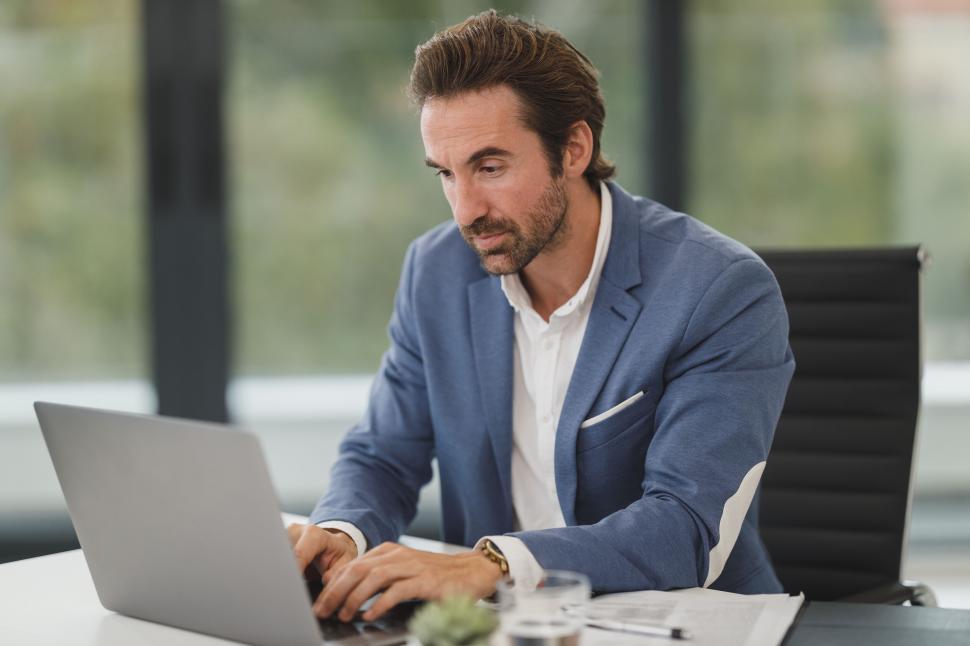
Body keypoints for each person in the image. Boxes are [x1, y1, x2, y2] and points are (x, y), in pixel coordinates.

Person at [287, 10, 795, 623]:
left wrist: (494, 564)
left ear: (574, 149)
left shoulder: (718, 291)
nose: (467, 208)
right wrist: (341, 533)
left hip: (684, 625)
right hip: (501, 629)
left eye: (491, 167)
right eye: (447, 174)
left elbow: (684, 525)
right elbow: (381, 456)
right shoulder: (436, 272)